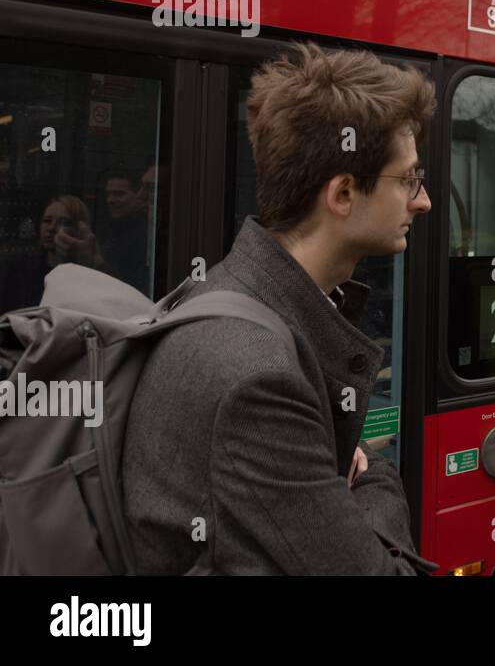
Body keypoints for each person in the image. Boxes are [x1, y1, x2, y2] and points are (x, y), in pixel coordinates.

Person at [123, 43, 437, 574]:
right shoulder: (257, 381)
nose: (423, 200)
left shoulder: (227, 294)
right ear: (342, 194)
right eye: (408, 178)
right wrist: (375, 476)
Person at [0, 194, 104, 314]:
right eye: (47, 221)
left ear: (79, 229)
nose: (52, 228)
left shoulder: (87, 271)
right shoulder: (20, 268)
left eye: (65, 223)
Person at [97, 169, 151, 295]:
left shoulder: (145, 234)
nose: (110, 200)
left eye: (119, 194)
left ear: (138, 195)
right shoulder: (108, 229)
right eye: (108, 194)